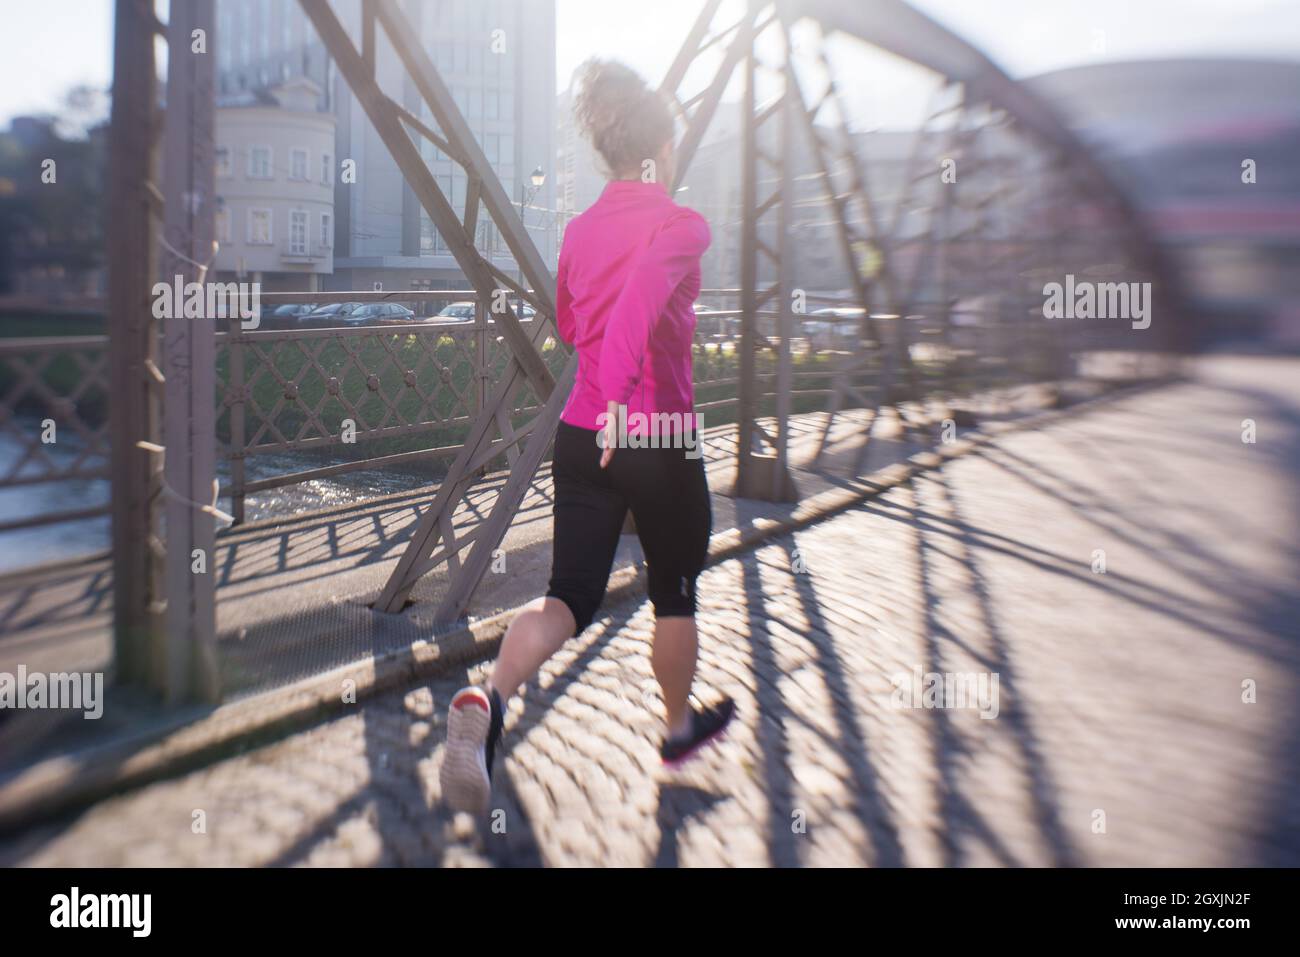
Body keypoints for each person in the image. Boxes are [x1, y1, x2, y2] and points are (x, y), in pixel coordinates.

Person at [440, 58, 735, 815]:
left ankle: (489, 695)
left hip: (580, 436)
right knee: (674, 592)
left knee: (566, 597)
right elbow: (639, 301)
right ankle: (674, 728)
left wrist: (601, 400)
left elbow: (574, 326)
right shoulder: (682, 223)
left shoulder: (578, 229)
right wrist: (621, 400)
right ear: (663, 150)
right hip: (658, 438)